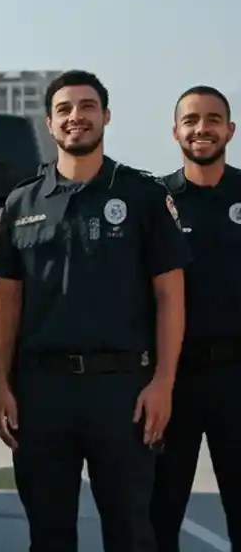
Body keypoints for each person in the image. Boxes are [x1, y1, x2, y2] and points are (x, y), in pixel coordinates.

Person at [0, 70, 189, 551]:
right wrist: (1, 386)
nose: (76, 117)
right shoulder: (22, 202)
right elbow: (6, 299)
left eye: (86, 107)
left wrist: (163, 382)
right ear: (50, 123)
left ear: (106, 115)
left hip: (122, 393)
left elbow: (170, 296)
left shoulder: (142, 196)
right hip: (42, 393)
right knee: (49, 533)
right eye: (64, 110)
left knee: (131, 532)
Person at [152, 85, 240, 551]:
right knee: (159, 515)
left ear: (230, 129)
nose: (201, 129)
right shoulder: (156, 202)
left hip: (236, 377)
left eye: (212, 119)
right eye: (191, 120)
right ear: (175, 132)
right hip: (174, 380)